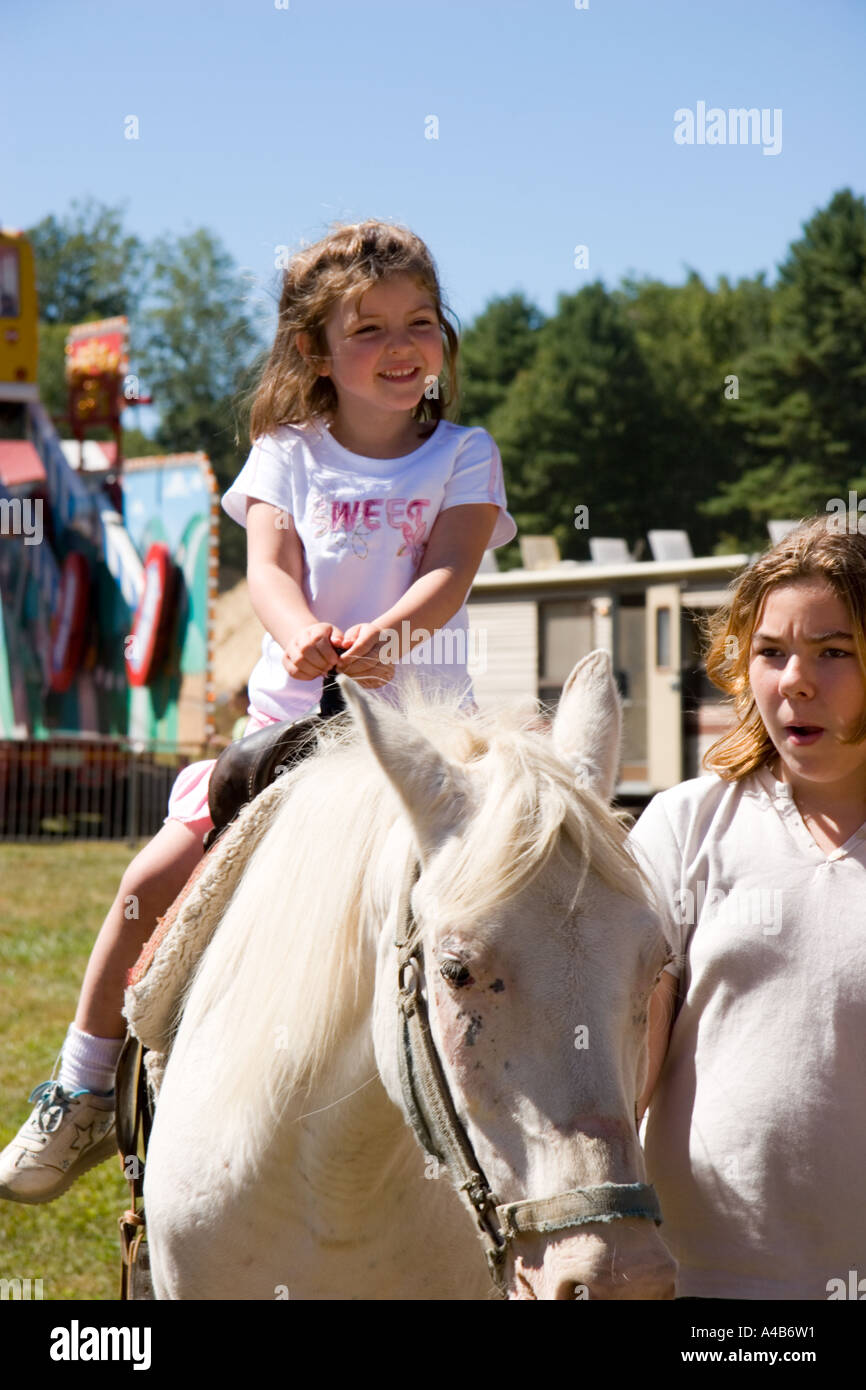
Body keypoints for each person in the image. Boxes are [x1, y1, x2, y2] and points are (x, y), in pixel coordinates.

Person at [0, 219, 516, 1204]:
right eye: (367, 329)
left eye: (419, 321)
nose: (401, 344)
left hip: (421, 736)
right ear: (313, 351)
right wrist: (305, 632)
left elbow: (448, 571)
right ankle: (78, 1088)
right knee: (151, 878)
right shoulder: (285, 453)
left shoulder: (462, 453)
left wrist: (389, 638)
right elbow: (268, 571)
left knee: (527, 899)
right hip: (289, 731)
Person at [632, 512, 866, 1299]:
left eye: (833, 653)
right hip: (703, 1287)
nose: (795, 681)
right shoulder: (685, 825)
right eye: (771, 653)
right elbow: (625, 1062)